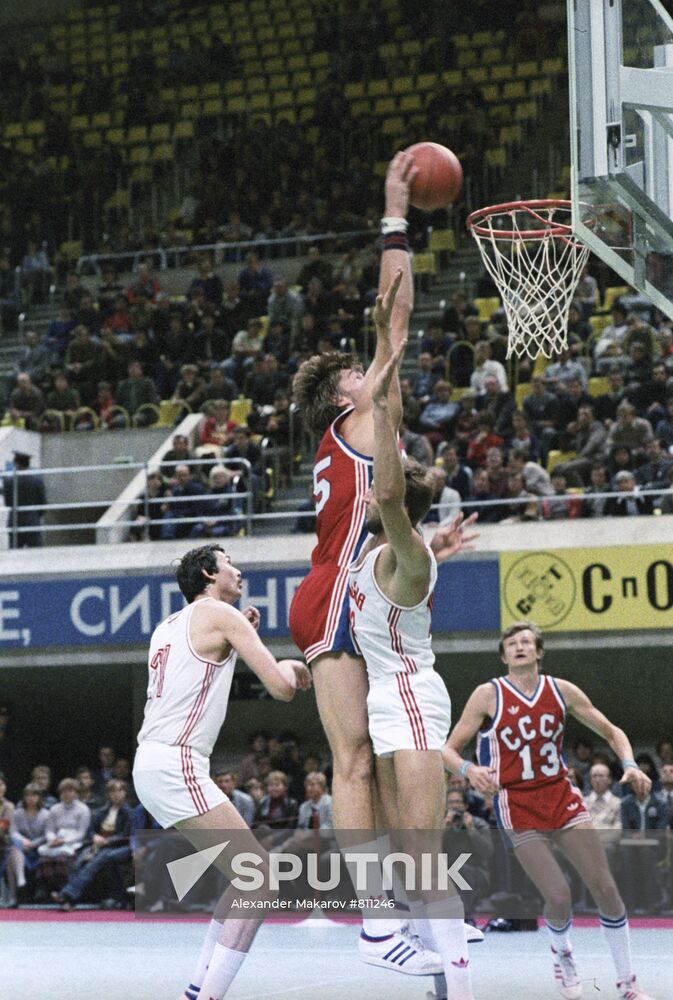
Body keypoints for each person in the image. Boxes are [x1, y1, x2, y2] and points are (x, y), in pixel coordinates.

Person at [289, 153, 478, 970]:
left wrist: (421, 549)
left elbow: (375, 539)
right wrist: (396, 213)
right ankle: (374, 924)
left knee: (381, 751)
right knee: (357, 758)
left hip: (341, 586)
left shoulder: (351, 443)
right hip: (331, 594)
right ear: (343, 395)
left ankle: (411, 909)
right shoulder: (359, 419)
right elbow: (395, 322)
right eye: (352, 371)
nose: (367, 371)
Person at [348, 341, 478, 1000]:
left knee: (423, 858)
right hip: (381, 699)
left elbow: (392, 490)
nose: (372, 488)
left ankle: (460, 983)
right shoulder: (395, 552)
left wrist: (385, 386)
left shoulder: (406, 550)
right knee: (409, 856)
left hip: (411, 696)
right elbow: (406, 550)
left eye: (385, 485)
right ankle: (440, 974)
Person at [132, 544, 311, 1000]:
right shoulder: (221, 616)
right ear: (211, 573)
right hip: (177, 762)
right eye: (229, 561)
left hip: (154, 761)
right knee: (261, 879)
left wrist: (241, 644)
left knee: (245, 876)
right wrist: (304, 670)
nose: (239, 568)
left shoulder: (169, 626)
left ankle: (198, 989)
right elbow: (281, 689)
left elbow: (204, 676)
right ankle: (207, 996)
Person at [444, 620, 655, 1000]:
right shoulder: (487, 695)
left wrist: (631, 764)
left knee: (606, 887)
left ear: (539, 652)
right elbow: (447, 749)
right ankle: (562, 952)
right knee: (558, 895)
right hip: (517, 801)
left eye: (527, 641)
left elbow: (611, 731)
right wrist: (469, 769)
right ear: (504, 655)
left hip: (560, 795)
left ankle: (627, 981)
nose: (520, 646)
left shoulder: (561, 690)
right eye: (512, 643)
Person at [2, 451, 47, 548]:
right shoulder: (37, 480)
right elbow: (43, 502)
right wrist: (35, 514)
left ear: (16, 463)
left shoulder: (9, 482)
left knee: (15, 556)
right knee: (36, 554)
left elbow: (8, 503)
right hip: (32, 521)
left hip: (15, 521)